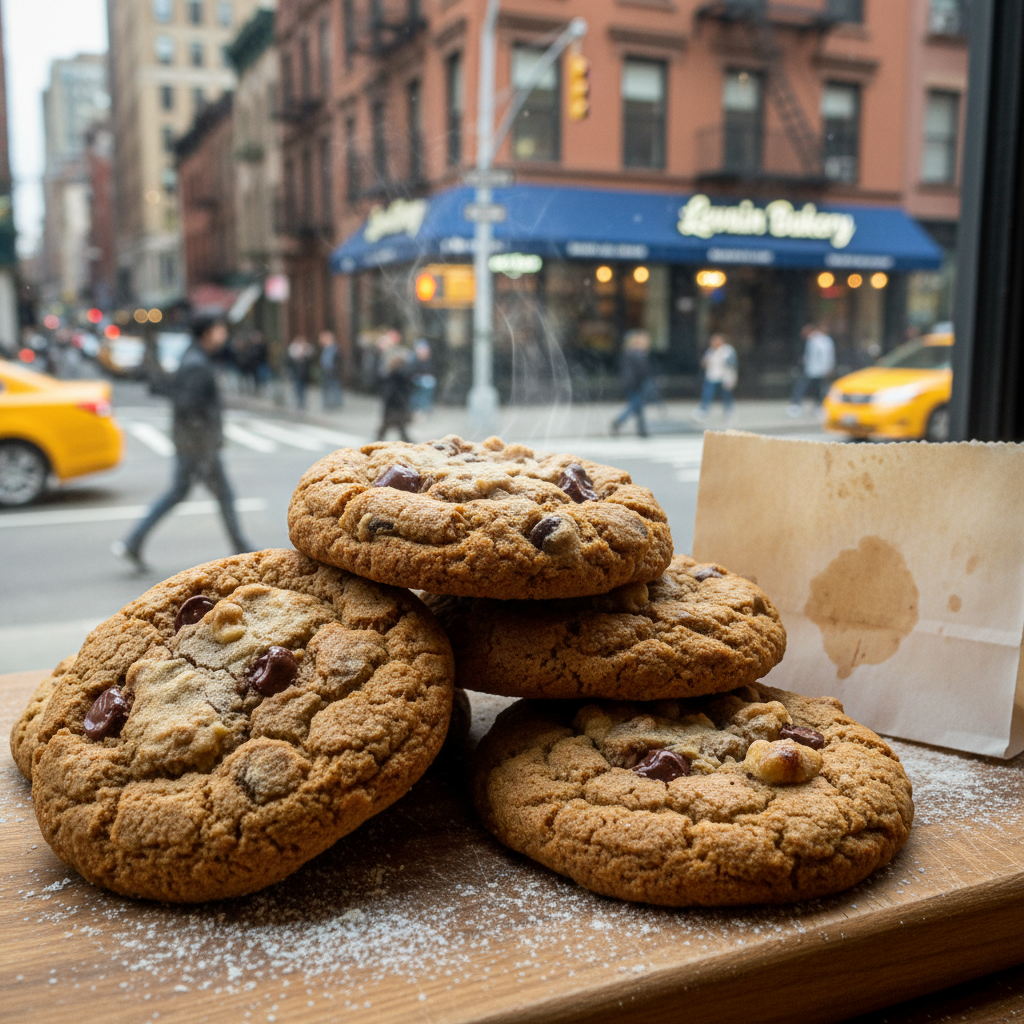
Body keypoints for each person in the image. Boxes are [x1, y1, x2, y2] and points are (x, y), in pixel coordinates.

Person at [112, 316, 252, 570]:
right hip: (197, 447)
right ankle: (241, 547)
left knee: (185, 493)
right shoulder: (196, 363)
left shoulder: (195, 357)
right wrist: (205, 447)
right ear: (207, 332)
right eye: (219, 328)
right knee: (216, 495)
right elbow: (188, 407)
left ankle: (133, 542)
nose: (224, 334)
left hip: (194, 445)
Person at [611, 329, 654, 437]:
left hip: (631, 384)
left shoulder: (630, 353)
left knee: (639, 408)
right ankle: (618, 422)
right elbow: (642, 371)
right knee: (635, 406)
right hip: (635, 385)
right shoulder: (637, 354)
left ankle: (642, 431)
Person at [788, 323, 836, 415]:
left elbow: (827, 356)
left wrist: (828, 367)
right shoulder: (814, 340)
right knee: (809, 387)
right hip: (813, 369)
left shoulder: (821, 340)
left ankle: (817, 406)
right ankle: (800, 405)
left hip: (817, 369)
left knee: (813, 388)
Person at [694, 333, 738, 421]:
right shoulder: (710, 351)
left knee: (726, 395)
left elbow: (732, 365)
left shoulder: (728, 351)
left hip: (724, 377)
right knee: (707, 394)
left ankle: (729, 410)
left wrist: (732, 377)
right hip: (712, 377)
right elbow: (704, 363)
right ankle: (704, 410)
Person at [376, 349, 414, 441]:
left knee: (397, 424)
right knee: (394, 425)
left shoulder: (401, 371)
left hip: (397, 402)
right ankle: (379, 439)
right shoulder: (391, 371)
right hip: (392, 401)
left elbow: (406, 384)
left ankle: (380, 439)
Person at [287, 334, 316, 410]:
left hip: (304, 371)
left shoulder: (308, 347)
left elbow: (311, 357)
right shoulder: (293, 347)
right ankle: (299, 401)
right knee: (297, 386)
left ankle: (303, 402)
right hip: (296, 371)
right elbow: (292, 358)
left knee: (303, 387)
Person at [410, 338, 436, 415]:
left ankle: (425, 408)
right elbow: (411, 372)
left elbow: (431, 371)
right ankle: (417, 409)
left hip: (426, 381)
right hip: (415, 380)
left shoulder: (429, 360)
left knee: (428, 386)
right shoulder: (413, 359)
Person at [318, 330, 343, 410]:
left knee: (335, 387)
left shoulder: (334, 349)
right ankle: (329, 403)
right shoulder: (324, 349)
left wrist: (335, 369)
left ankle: (336, 403)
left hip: (332, 371)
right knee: (327, 388)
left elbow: (338, 360)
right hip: (326, 371)